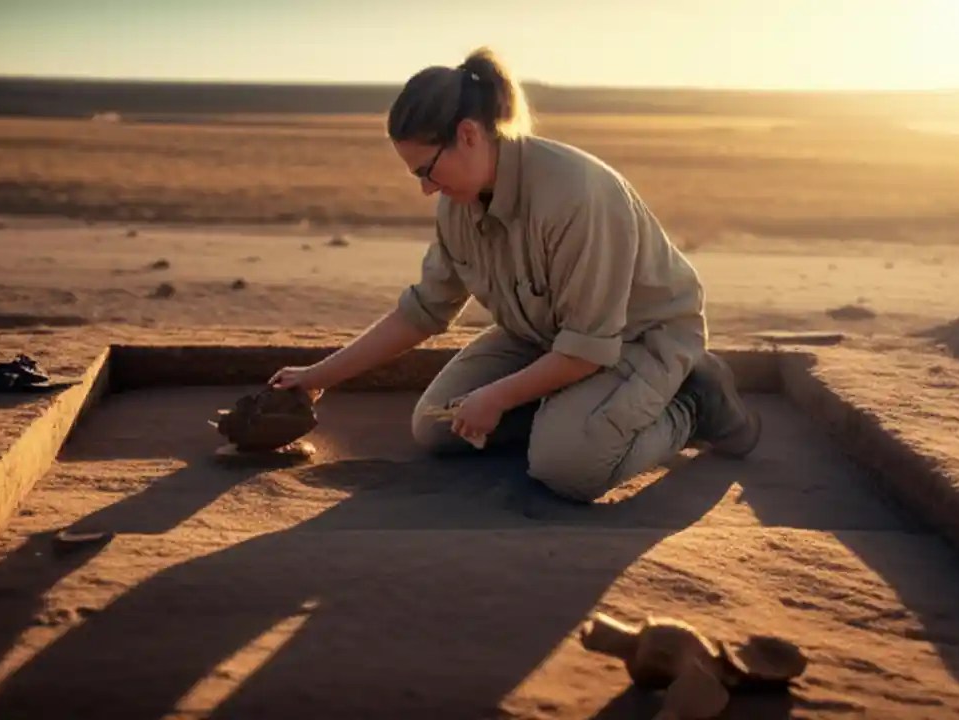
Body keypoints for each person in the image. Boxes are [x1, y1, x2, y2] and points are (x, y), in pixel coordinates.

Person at [269, 47, 761, 502]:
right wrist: (317, 378)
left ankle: (693, 401)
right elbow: (423, 311)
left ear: (468, 134)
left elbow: (588, 347)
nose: (425, 189)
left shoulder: (575, 197)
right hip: (545, 338)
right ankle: (572, 415)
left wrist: (498, 395)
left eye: (426, 170)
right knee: (437, 427)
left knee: (568, 468)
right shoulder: (456, 204)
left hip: (637, 339)